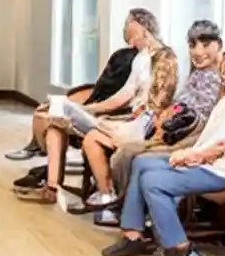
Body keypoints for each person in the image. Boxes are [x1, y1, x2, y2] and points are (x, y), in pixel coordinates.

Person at [101, 46, 225, 256]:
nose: (224, 75)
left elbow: (222, 146)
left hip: (223, 171)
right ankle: (133, 235)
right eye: (223, 69)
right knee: (141, 163)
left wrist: (189, 157)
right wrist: (189, 153)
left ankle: (179, 247)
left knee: (153, 181)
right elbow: (209, 138)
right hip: (205, 161)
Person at [14, 8, 162, 204]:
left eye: (128, 24)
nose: (125, 28)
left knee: (60, 117)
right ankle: (52, 187)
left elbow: (126, 100)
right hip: (115, 114)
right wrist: (86, 108)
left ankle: (104, 194)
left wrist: (87, 110)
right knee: (55, 124)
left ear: (139, 26)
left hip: (127, 120)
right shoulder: (140, 57)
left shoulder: (160, 58)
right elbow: (123, 92)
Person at [106, 20, 225, 203]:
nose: (198, 51)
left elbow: (200, 118)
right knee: (123, 150)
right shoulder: (197, 74)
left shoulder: (222, 78)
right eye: (193, 45)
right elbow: (178, 106)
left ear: (219, 45)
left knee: (128, 154)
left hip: (190, 138)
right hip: (170, 129)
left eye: (206, 44)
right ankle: (121, 202)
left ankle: (124, 204)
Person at [77, 44, 180, 209]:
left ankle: (108, 195)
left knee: (93, 136)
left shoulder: (163, 97)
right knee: (92, 137)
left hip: (144, 132)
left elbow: (154, 117)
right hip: (139, 125)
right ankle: (107, 193)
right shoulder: (159, 90)